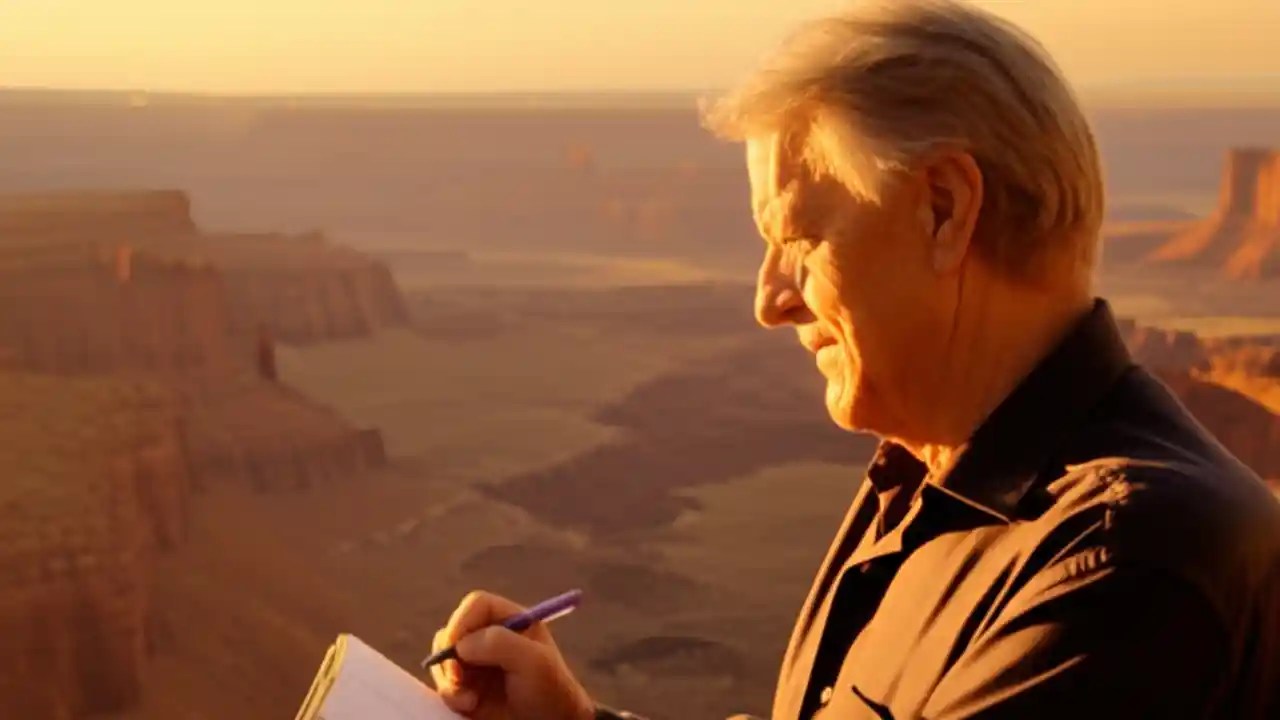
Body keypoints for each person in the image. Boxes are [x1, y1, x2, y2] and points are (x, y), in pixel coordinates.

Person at [429, 1, 1280, 717]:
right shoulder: (924, 481)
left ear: (944, 210)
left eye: (799, 239)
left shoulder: (1126, 569)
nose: (770, 300)